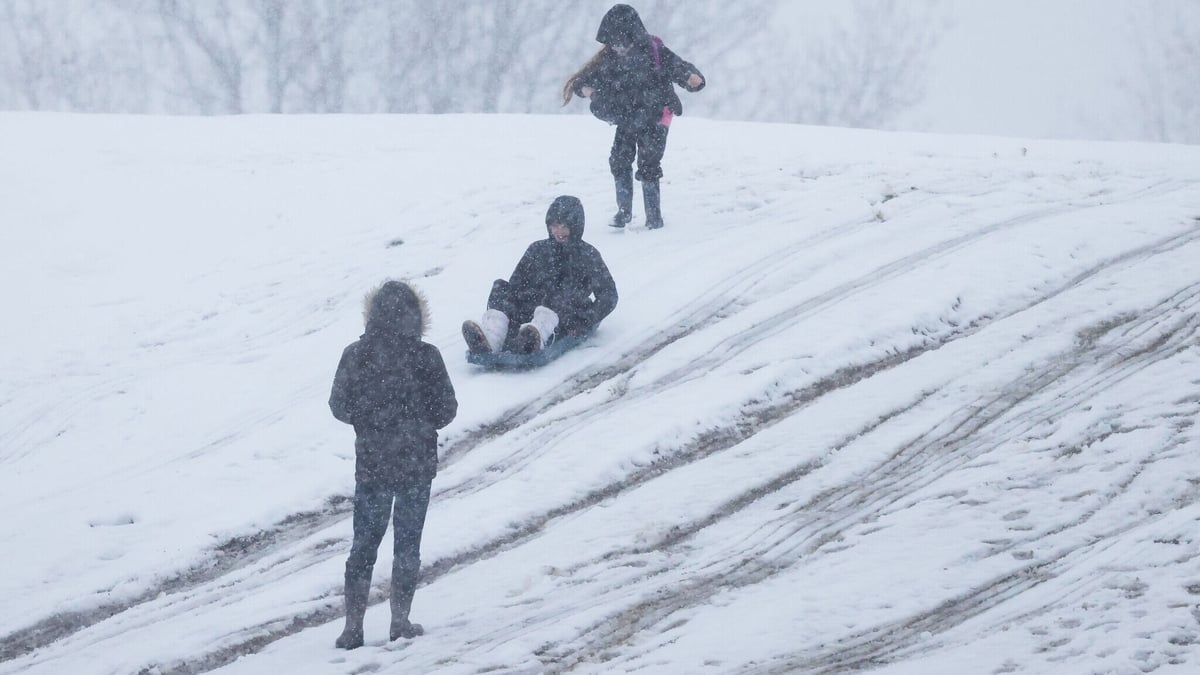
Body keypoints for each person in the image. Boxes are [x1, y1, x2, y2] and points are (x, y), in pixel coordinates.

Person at [328, 280, 458, 649]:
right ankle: (399, 622)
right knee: (407, 546)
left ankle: (353, 628)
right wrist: (417, 420)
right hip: (416, 465)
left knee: (363, 546)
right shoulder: (427, 356)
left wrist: (370, 421)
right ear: (416, 317)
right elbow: (447, 410)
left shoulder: (356, 354)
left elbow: (339, 405)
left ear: (373, 315)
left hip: (372, 465)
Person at [563, 4, 705, 230]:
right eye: (613, 43)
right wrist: (587, 90)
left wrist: (691, 77)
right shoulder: (609, 60)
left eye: (622, 42)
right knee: (619, 160)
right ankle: (624, 212)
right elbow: (583, 81)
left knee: (649, 163)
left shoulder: (655, 50)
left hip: (657, 116)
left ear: (633, 37)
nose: (618, 47)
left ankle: (653, 217)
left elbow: (678, 66)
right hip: (628, 118)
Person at [462, 195, 618, 354]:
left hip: (566, 314)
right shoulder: (537, 249)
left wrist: (586, 319)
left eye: (564, 226)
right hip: (531, 308)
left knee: (555, 296)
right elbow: (516, 283)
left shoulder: (588, 255)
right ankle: (492, 338)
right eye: (555, 226)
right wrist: (523, 301)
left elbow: (609, 294)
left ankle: (533, 339)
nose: (559, 231)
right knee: (501, 287)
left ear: (575, 226)